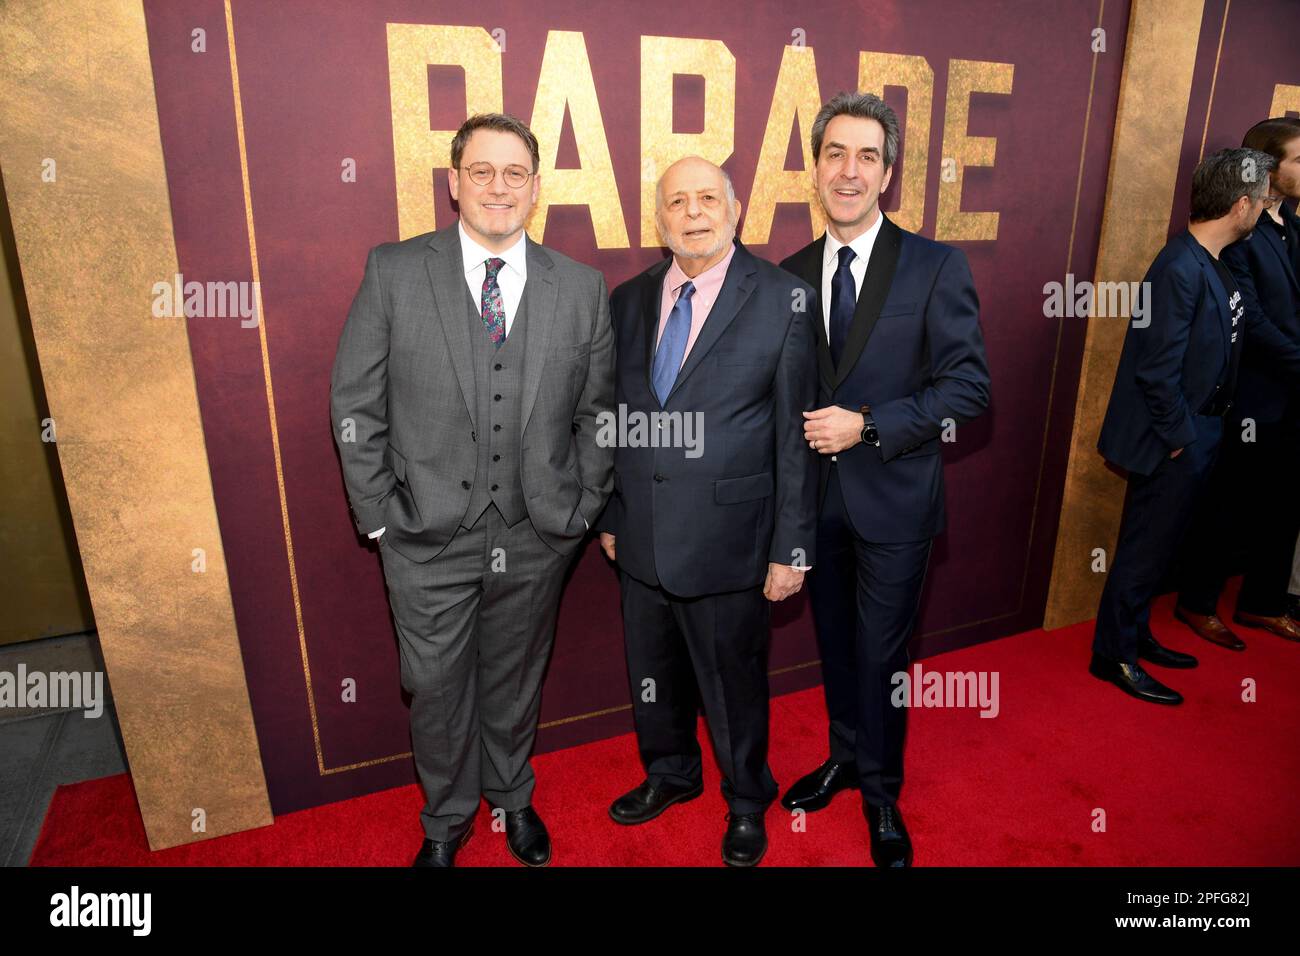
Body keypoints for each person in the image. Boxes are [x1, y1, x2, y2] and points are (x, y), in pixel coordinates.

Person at [330, 113, 613, 867]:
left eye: (514, 173)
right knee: (433, 686)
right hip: (425, 535)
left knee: (517, 676)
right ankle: (446, 820)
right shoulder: (394, 270)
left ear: (535, 187)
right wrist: (380, 520)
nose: (498, 187)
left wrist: (581, 509)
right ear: (454, 183)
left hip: (535, 532)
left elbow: (601, 414)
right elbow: (354, 405)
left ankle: (513, 796)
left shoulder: (581, 288)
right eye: (481, 171)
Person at [779, 92, 991, 867]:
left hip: (897, 502)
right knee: (835, 644)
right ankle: (842, 754)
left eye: (867, 156)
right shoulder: (790, 274)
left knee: (883, 656)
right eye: (835, 153)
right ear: (815, 165)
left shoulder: (937, 265)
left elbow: (969, 390)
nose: (849, 170)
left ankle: (880, 791)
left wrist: (866, 422)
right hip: (817, 508)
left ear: (889, 173)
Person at [598, 156, 817, 867]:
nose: (693, 213)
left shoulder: (784, 298)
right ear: (658, 220)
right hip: (639, 534)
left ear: (736, 208)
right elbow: (612, 416)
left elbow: (794, 435)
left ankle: (747, 800)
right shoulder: (626, 300)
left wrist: (792, 547)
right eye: (676, 203)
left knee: (731, 682)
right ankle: (671, 774)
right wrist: (608, 511)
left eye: (706, 199)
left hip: (732, 539)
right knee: (650, 671)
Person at [1091, 147, 1279, 705]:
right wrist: (1181, 440)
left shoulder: (1213, 262)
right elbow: (1155, 371)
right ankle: (1114, 656)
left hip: (1202, 431)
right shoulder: (1178, 267)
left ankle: (1137, 635)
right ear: (1241, 205)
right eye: (1265, 199)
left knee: (1161, 546)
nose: (1268, 209)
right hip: (1176, 438)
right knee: (1144, 549)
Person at [1175, 118, 1300, 648]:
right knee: (1229, 503)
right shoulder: (1242, 229)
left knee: (1285, 503)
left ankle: (1263, 603)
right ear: (1268, 166)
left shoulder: (1287, 219)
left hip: (1289, 393)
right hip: (1251, 395)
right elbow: (1250, 315)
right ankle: (1197, 602)